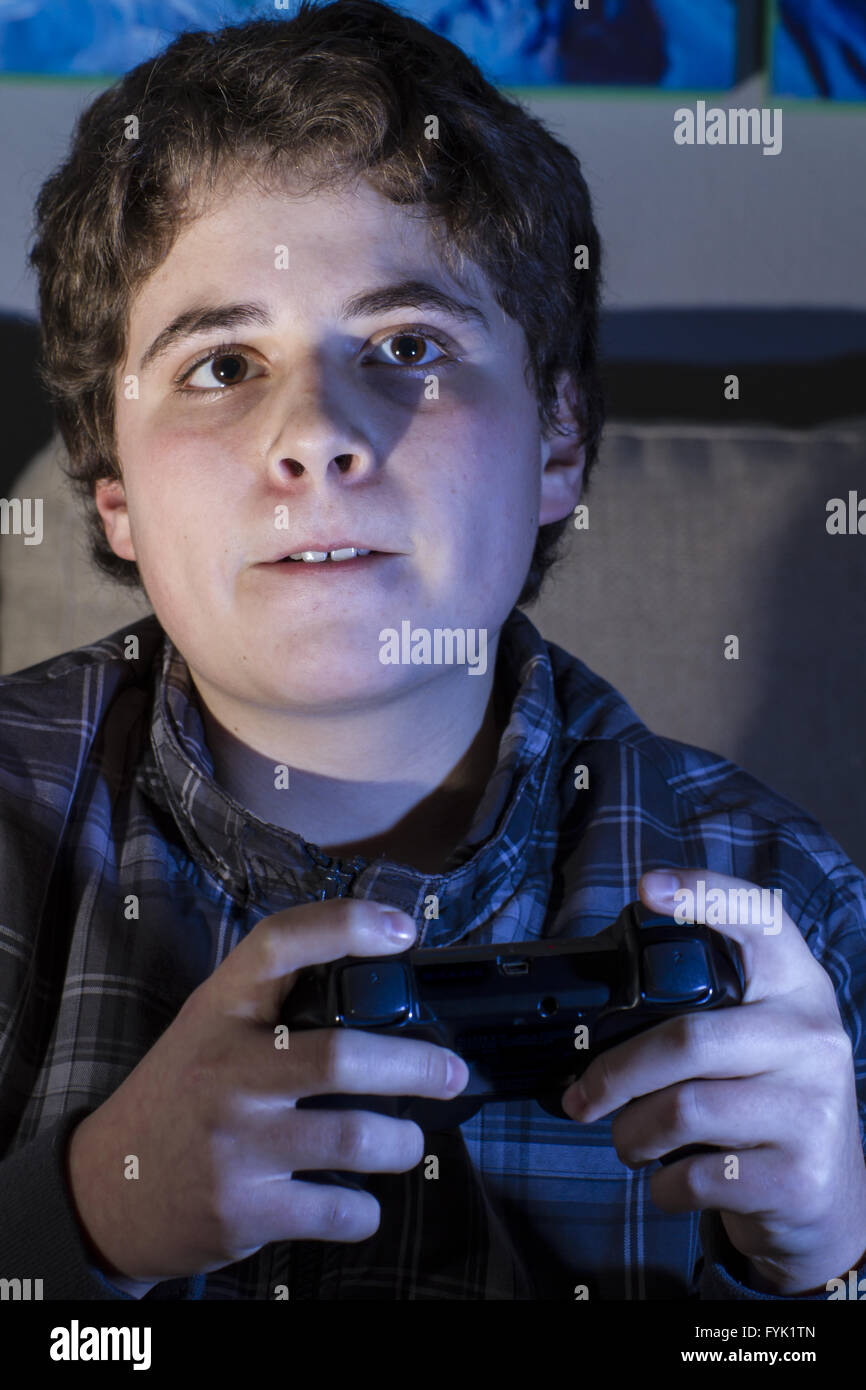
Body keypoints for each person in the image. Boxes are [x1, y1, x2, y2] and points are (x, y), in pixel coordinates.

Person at [1, 0, 864, 1301]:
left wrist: (829, 1258)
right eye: (223, 362)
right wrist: (80, 1212)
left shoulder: (794, 903)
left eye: (407, 346)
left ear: (556, 443)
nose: (315, 434)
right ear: (111, 489)